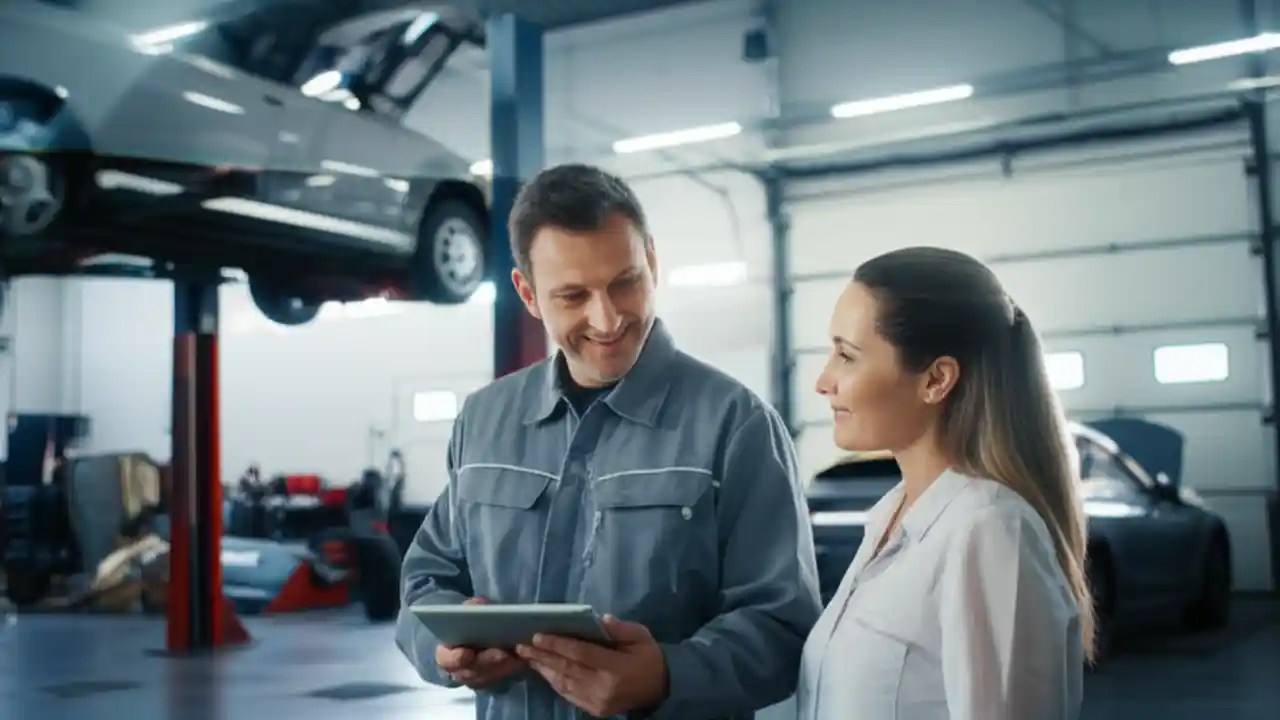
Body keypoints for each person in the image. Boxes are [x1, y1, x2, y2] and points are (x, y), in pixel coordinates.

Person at [396, 163, 823, 720]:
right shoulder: (484, 420)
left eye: (625, 282)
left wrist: (667, 677)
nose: (607, 317)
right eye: (573, 296)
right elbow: (426, 582)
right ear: (527, 293)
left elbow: (783, 627)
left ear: (653, 262)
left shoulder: (736, 425)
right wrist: (444, 650)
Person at [797, 246, 1092, 720]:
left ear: (936, 379)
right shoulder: (893, 514)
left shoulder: (991, 531)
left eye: (847, 356)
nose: (823, 381)